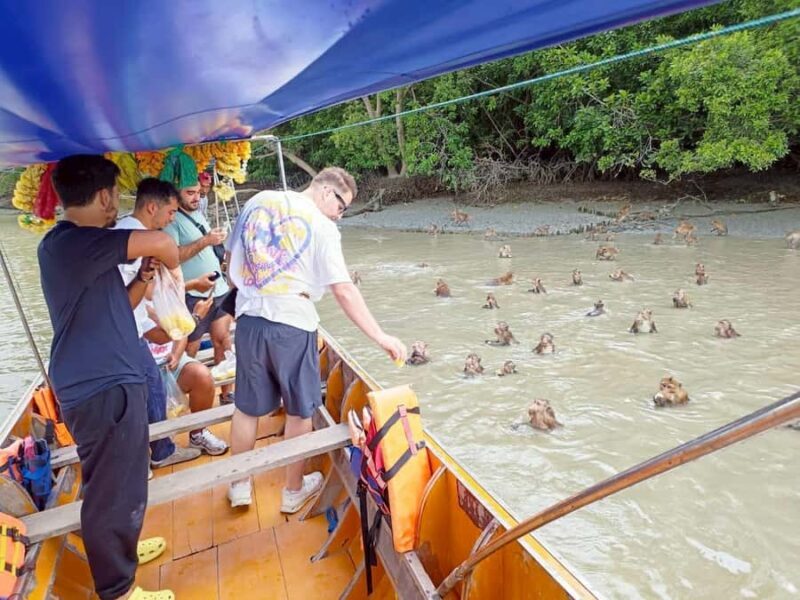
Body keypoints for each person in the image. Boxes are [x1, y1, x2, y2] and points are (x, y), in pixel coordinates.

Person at [225, 167, 407, 511]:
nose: (340, 215)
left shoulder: (258, 201)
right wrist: (380, 336)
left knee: (246, 409)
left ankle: (239, 485)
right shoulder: (323, 227)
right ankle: (292, 492)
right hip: (293, 324)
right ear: (326, 192)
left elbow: (231, 263)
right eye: (342, 207)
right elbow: (343, 289)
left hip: (249, 320)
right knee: (299, 412)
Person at [38, 155, 177, 600]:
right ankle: (118, 589)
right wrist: (161, 251)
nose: (117, 203)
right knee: (110, 493)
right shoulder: (73, 243)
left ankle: (125, 552)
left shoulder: (76, 248)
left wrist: (142, 276)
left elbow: (122, 302)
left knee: (126, 479)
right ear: (104, 196)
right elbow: (163, 242)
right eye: (117, 195)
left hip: (107, 377)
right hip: (100, 384)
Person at [116, 178, 228, 468]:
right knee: (149, 390)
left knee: (194, 376)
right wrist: (193, 318)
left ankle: (187, 437)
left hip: (151, 337)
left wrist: (190, 285)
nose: (171, 219)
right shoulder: (137, 241)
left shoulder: (135, 236)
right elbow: (149, 309)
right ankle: (159, 453)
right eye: (170, 213)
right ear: (152, 207)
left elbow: (156, 298)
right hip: (139, 338)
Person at [162, 178, 235, 405]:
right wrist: (206, 241)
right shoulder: (170, 222)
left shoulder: (197, 213)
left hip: (218, 289)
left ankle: (226, 394)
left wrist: (214, 241)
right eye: (190, 192)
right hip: (193, 294)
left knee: (223, 340)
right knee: (189, 348)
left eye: (198, 192)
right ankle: (184, 397)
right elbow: (174, 256)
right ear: (178, 194)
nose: (197, 197)